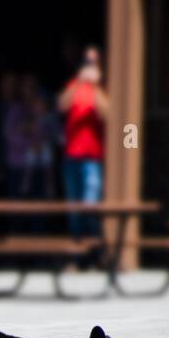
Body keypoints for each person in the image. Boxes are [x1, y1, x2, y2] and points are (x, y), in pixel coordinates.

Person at [57, 45, 107, 238]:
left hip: (92, 158)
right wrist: (79, 81)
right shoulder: (74, 85)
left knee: (90, 206)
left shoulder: (102, 88)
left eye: (93, 62)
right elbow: (61, 106)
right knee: (73, 208)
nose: (90, 66)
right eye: (87, 62)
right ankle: (77, 255)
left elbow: (108, 115)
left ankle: (93, 252)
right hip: (72, 156)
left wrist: (95, 86)